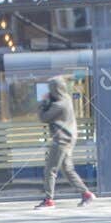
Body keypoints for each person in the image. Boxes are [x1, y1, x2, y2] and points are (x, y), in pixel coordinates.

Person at [35, 77, 94, 209]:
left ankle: (48, 200)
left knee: (50, 170)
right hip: (69, 138)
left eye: (50, 88)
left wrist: (43, 102)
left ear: (54, 89)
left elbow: (43, 117)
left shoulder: (58, 105)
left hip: (61, 140)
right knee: (67, 169)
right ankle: (86, 194)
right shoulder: (66, 99)